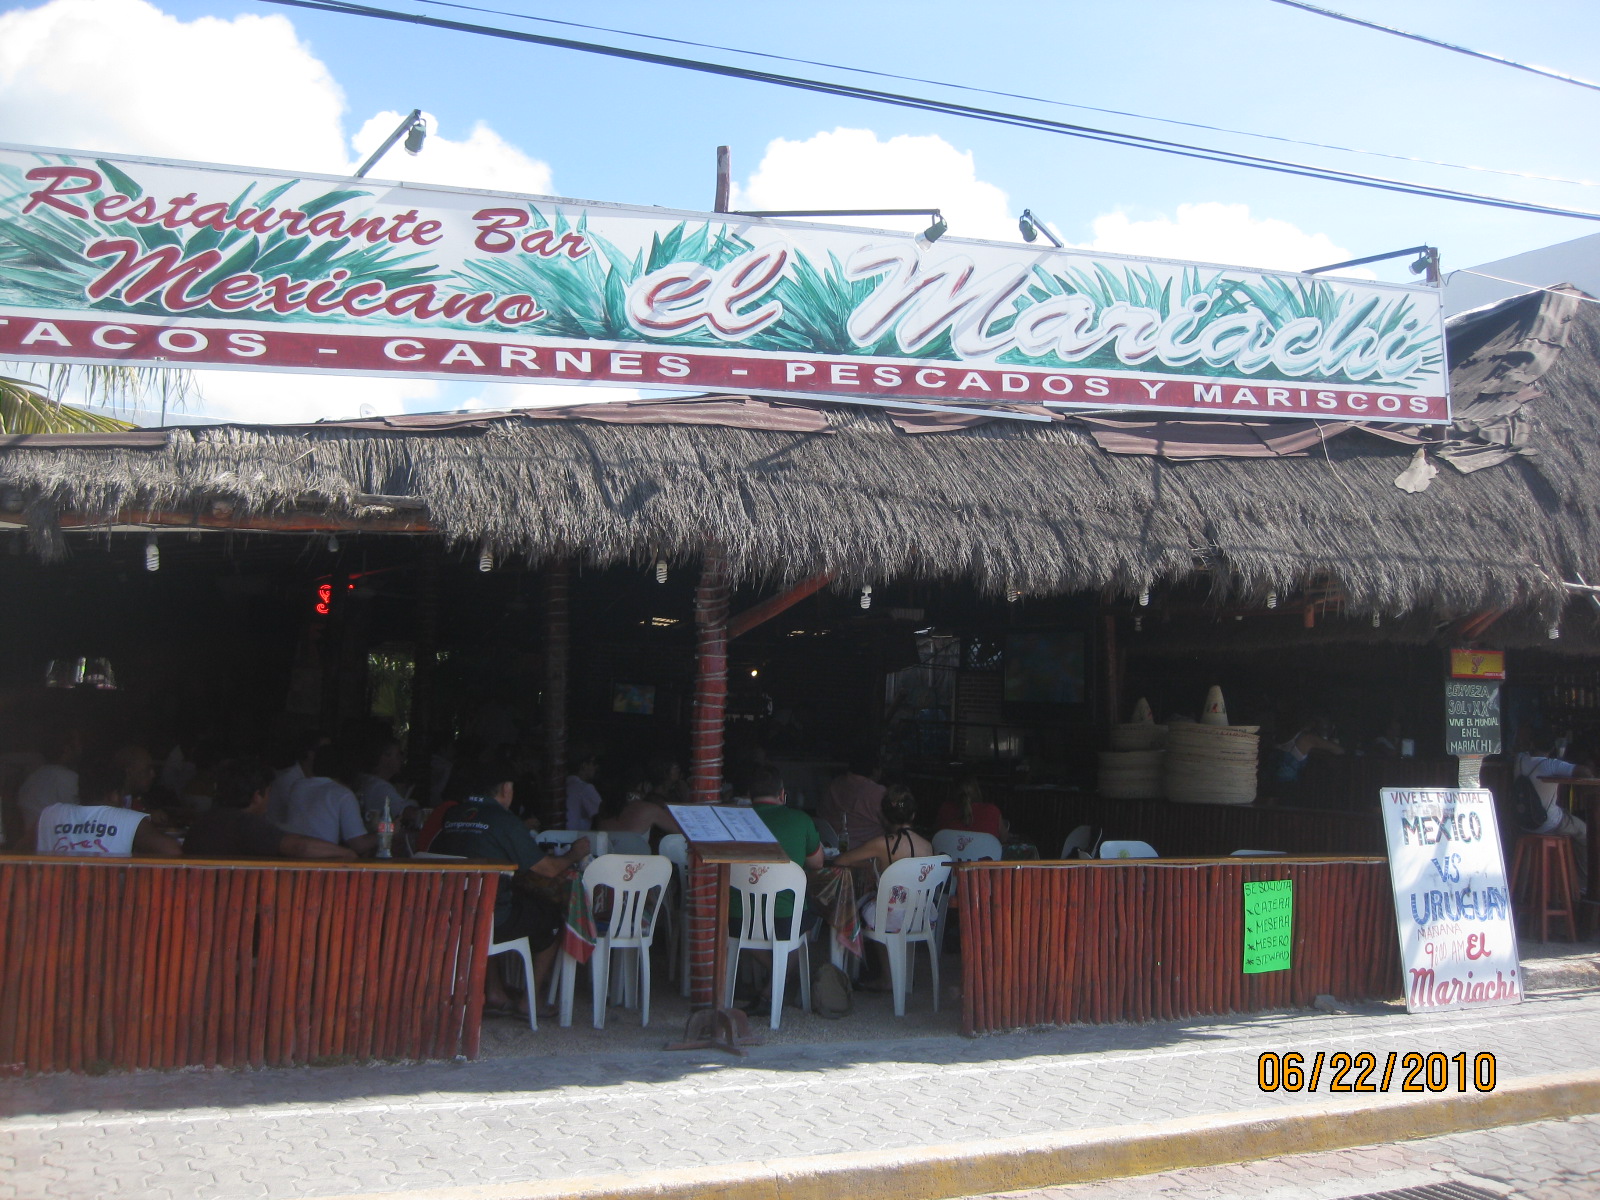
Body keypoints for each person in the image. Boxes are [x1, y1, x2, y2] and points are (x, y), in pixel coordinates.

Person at [431, 765, 590, 1018]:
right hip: (489, 918)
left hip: (451, 915)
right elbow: (548, 869)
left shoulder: (453, 815)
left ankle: (495, 992)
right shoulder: (503, 820)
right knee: (551, 915)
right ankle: (530, 1000)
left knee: (488, 904)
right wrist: (574, 854)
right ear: (506, 789)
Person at [834, 784, 935, 959]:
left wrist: (870, 865)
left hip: (889, 918)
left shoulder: (881, 844)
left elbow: (840, 860)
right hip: (920, 915)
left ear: (884, 817)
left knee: (860, 907)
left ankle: (883, 971)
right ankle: (899, 967)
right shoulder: (927, 846)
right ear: (913, 815)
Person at [184, 760, 356, 860]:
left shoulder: (206, 819)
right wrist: (347, 853)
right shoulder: (245, 824)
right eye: (268, 793)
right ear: (257, 796)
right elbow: (300, 847)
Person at [35, 762, 181, 857]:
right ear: (114, 795)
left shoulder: (50, 814)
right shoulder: (127, 819)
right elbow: (172, 850)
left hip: (54, 894)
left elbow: (23, 851)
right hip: (109, 895)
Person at [1513, 733, 1591, 874]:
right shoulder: (1551, 765)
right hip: (1548, 823)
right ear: (1552, 748)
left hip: (1522, 823)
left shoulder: (1520, 759)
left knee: (1565, 816)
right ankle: (1585, 879)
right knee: (1585, 832)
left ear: (1532, 744)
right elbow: (1584, 772)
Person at [283, 743, 376, 855]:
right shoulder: (342, 794)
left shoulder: (298, 786)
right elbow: (359, 845)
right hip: (323, 860)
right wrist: (387, 831)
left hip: (290, 857)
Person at [18, 728, 81, 838]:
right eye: (78, 744)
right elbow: (77, 818)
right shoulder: (67, 778)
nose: (80, 749)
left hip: (35, 843)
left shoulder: (33, 777)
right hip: (57, 843)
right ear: (67, 749)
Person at [820, 753, 886, 849]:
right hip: (866, 852)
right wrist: (902, 804)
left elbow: (821, 812)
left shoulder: (834, 784)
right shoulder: (878, 792)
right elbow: (898, 808)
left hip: (832, 847)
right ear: (875, 770)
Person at [267, 731, 320, 828]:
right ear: (310, 754)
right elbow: (307, 816)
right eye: (324, 750)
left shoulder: (313, 778)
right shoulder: (288, 778)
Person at [1272, 718, 1344, 784]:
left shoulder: (1279, 735)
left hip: (1270, 783)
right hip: (1288, 785)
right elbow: (1340, 750)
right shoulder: (1307, 738)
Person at [935, 778, 1010, 840]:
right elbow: (1004, 838)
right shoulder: (992, 811)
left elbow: (936, 835)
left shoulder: (945, 809)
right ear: (977, 791)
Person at [565, 753, 603, 830]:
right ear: (584, 765)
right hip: (577, 836)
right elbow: (603, 816)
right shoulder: (585, 788)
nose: (596, 767)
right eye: (593, 763)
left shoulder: (564, 785)